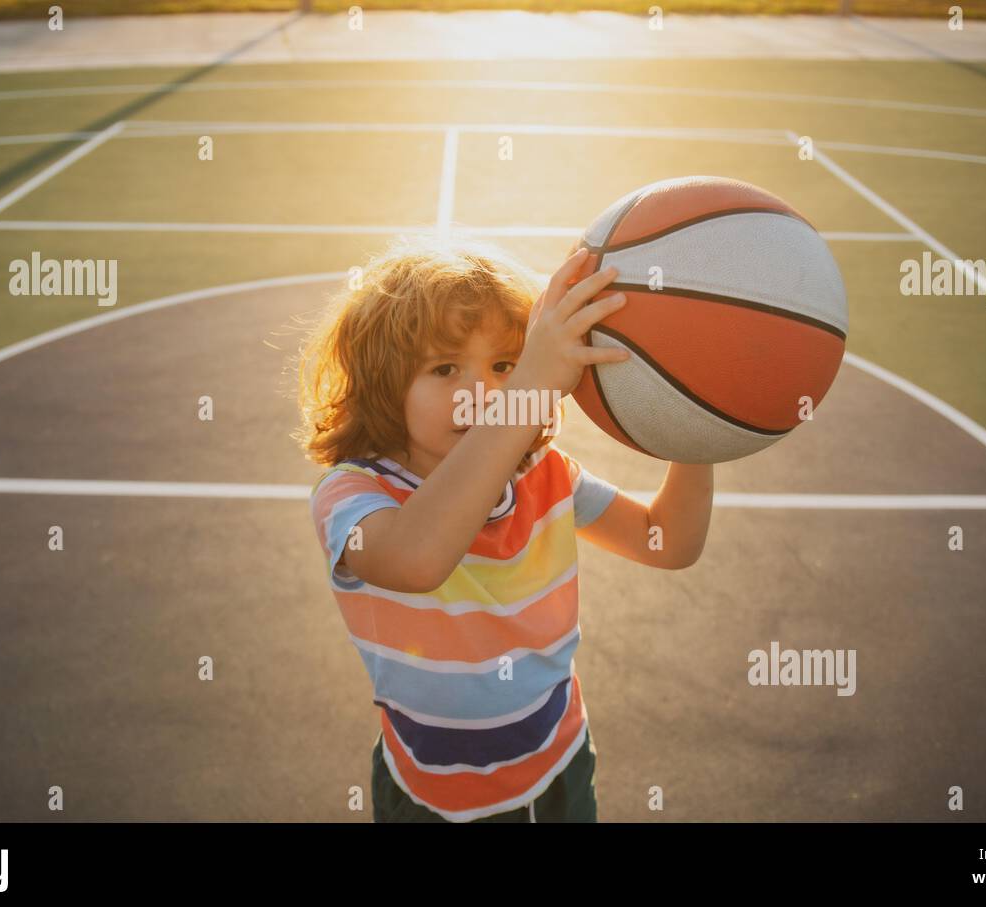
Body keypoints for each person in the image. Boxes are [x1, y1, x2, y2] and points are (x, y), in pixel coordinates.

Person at [297, 235, 714, 822]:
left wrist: (700, 425)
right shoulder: (353, 495)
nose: (484, 394)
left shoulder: (544, 475)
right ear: (382, 383)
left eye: (504, 365)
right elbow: (417, 560)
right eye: (445, 368)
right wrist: (528, 388)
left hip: (559, 764)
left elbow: (666, 541)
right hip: (432, 794)